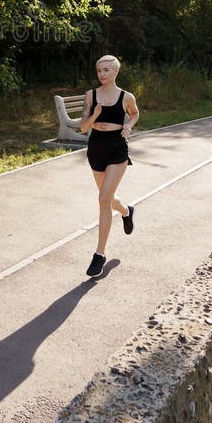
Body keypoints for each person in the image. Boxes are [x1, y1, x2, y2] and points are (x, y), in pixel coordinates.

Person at [79, 54, 139, 278]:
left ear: (115, 72)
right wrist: (94, 114)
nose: (101, 74)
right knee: (108, 198)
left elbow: (135, 113)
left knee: (103, 199)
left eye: (106, 70)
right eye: (98, 70)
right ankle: (125, 211)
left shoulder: (126, 96)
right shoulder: (90, 95)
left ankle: (99, 255)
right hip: (96, 147)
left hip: (116, 148)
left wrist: (129, 125)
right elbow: (84, 128)